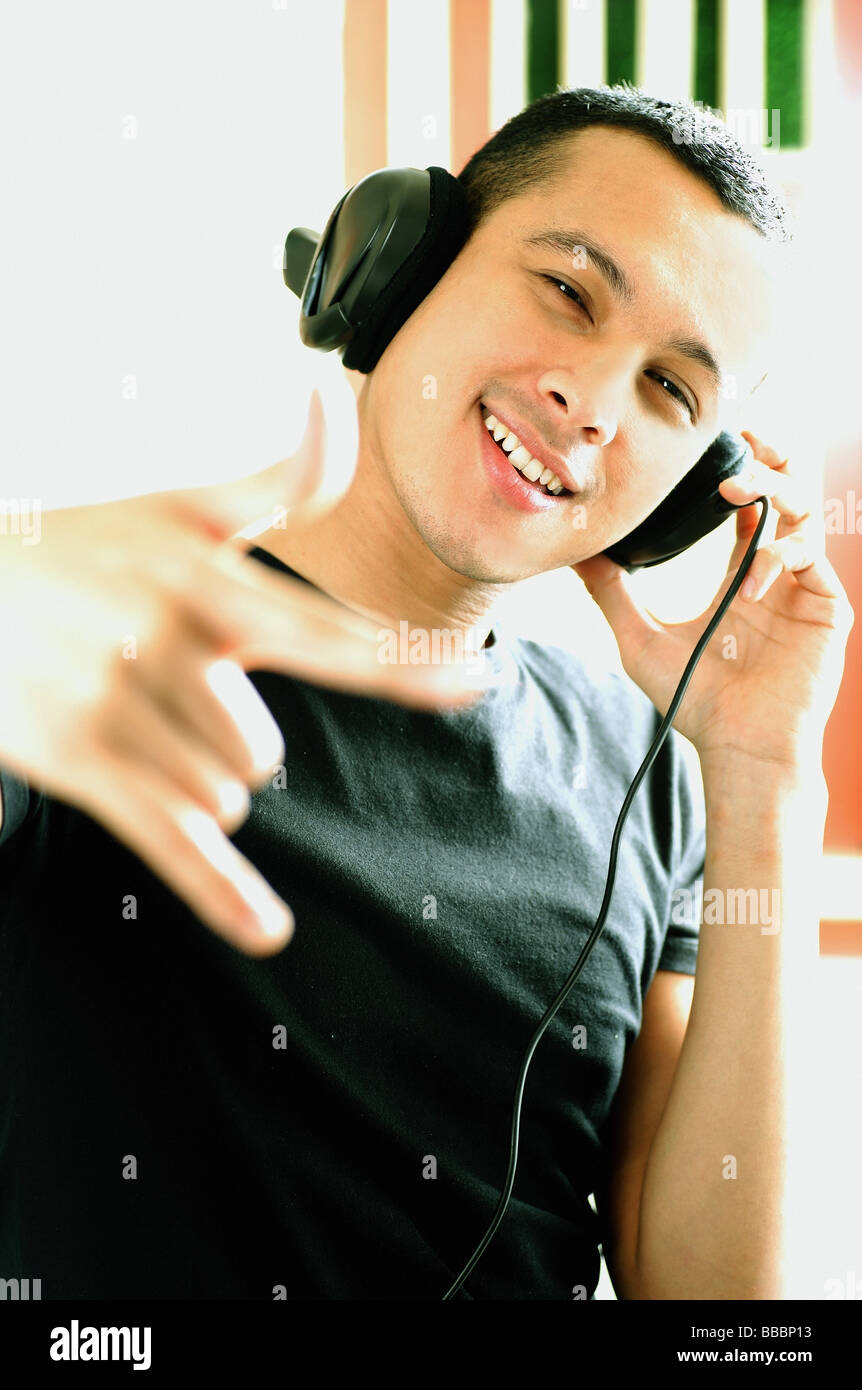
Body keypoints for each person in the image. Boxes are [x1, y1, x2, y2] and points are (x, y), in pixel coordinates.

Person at [0, 86, 852, 1301]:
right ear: (397, 265)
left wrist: (767, 783)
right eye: (567, 289)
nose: (596, 405)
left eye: (670, 390)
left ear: (685, 495)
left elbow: (722, 1320)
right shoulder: (88, 649)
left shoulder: (650, 781)